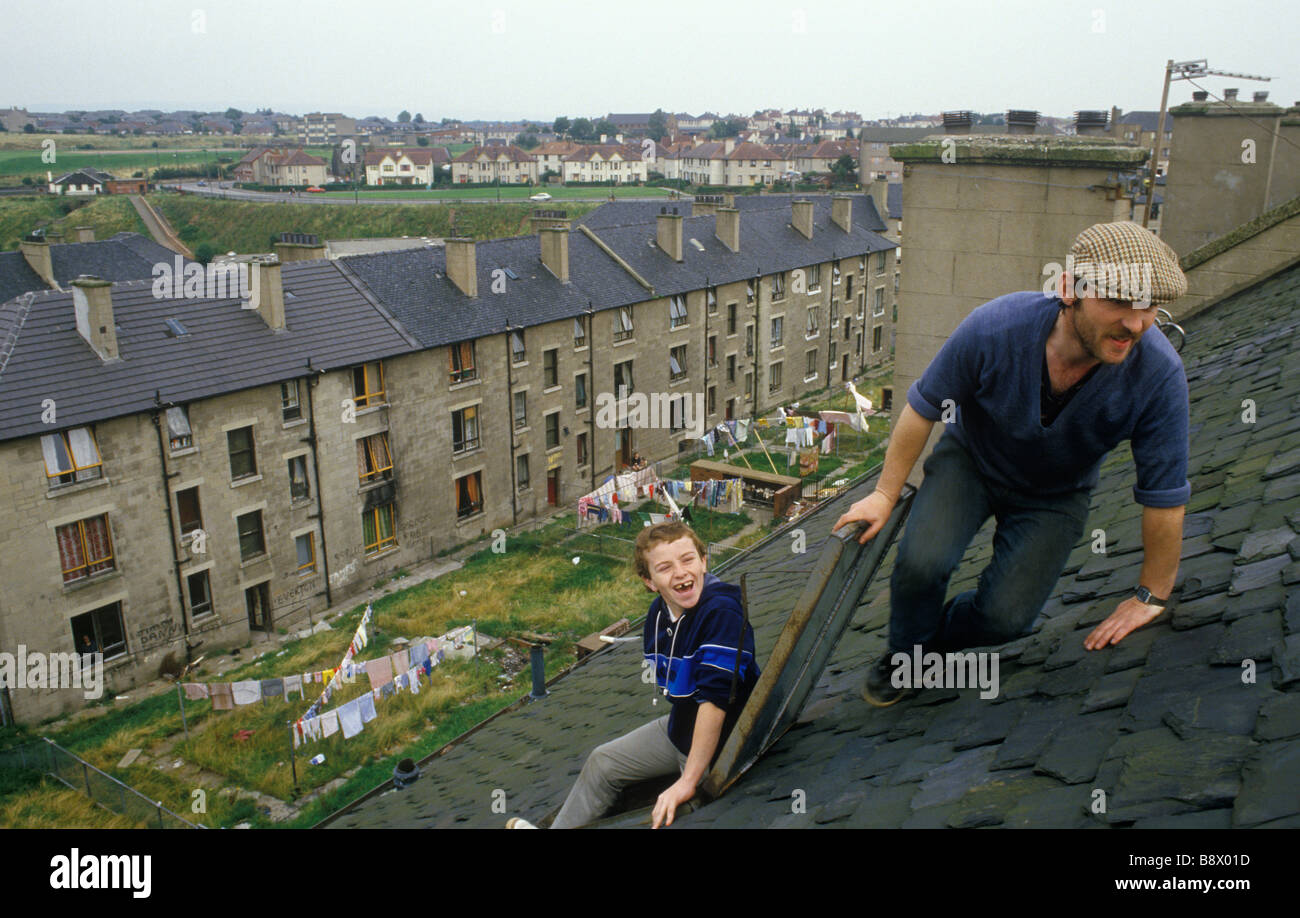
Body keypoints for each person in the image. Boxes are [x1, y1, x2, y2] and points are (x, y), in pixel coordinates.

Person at [833, 221, 1190, 706]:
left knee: (1006, 620)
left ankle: (934, 644)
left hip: (1056, 493)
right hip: (972, 463)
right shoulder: (996, 327)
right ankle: (905, 657)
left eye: (1148, 306)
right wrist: (883, 494)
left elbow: (1164, 494)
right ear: (1069, 290)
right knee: (921, 565)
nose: (1136, 323)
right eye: (1120, 302)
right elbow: (922, 409)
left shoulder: (1159, 375)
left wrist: (1151, 595)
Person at [515, 520, 759, 828]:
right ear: (650, 581)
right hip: (680, 729)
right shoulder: (658, 617)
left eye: (688, 560)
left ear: (704, 562)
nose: (681, 572)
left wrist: (687, 781)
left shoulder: (721, 612)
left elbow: (715, 703)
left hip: (723, 740)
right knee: (602, 762)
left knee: (667, 816)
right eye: (666, 567)